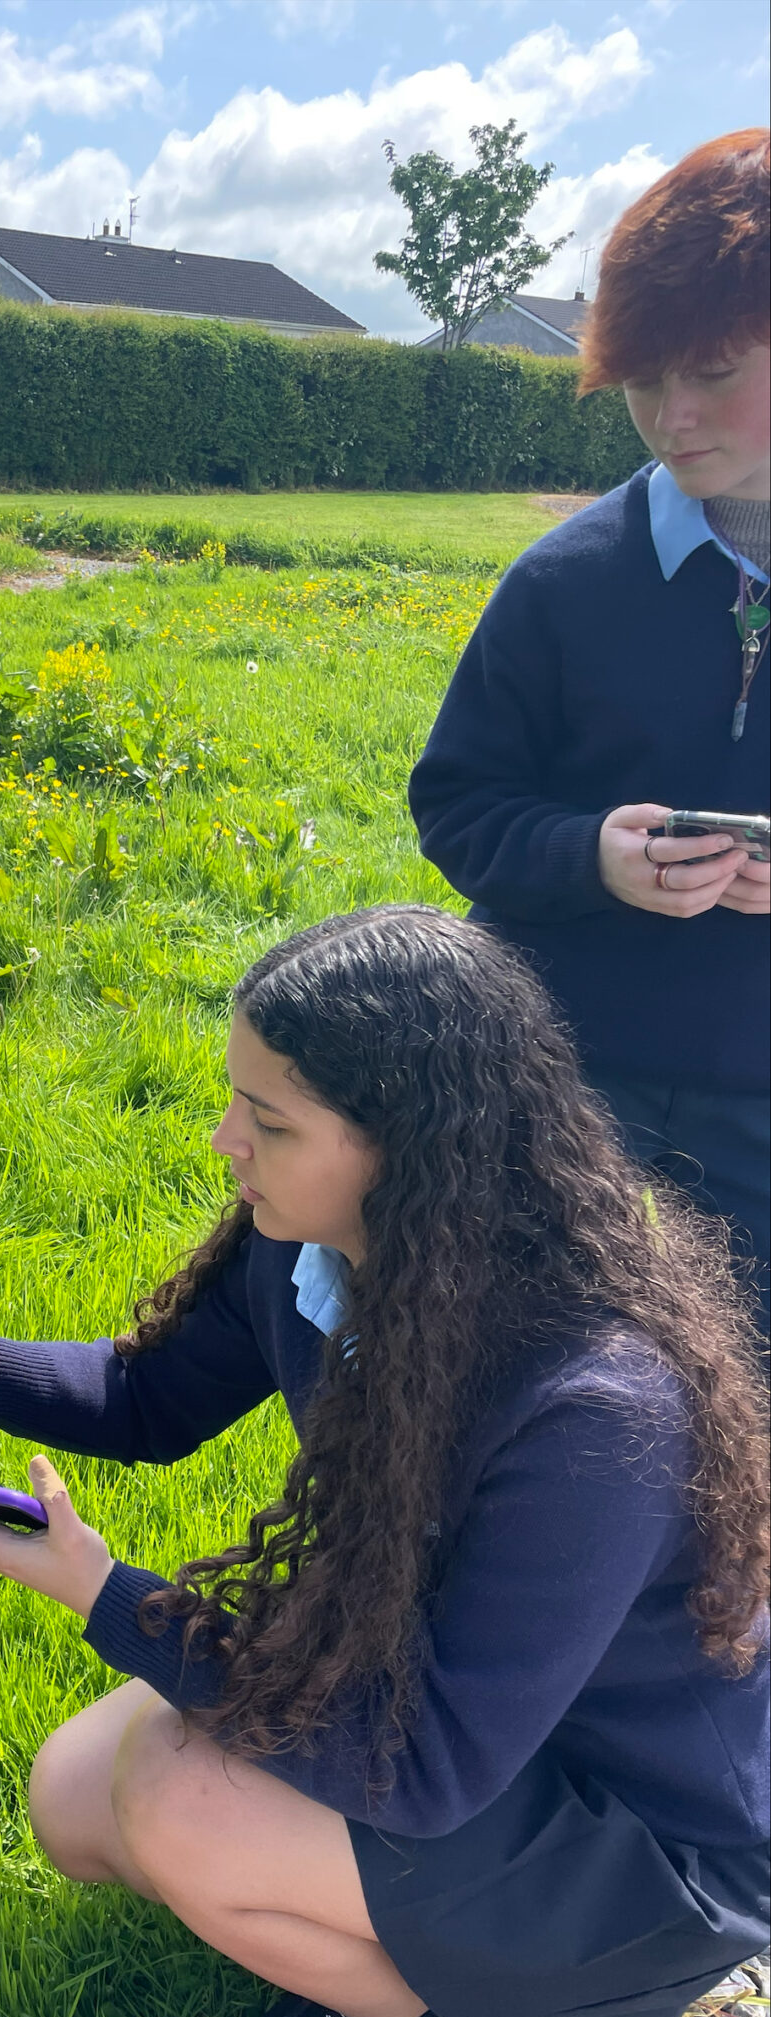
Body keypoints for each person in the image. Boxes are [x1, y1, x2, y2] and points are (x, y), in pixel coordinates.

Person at [0, 909, 769, 2017]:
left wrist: (106, 1592)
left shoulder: (592, 1407)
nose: (227, 1140)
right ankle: (385, 1942)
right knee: (75, 1799)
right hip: (448, 1712)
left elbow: (429, 1768)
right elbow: (151, 1397)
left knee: (180, 1804)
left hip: (632, 1848)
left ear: (406, 1145)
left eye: (269, 1120)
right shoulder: (313, 1245)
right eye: (237, 1100)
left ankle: (423, 2016)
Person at [409, 129, 770, 1340]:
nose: (668, 417)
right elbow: (456, 802)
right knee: (517, 1382)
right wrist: (590, 859)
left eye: (712, 369)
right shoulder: (562, 582)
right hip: (559, 1069)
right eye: (637, 378)